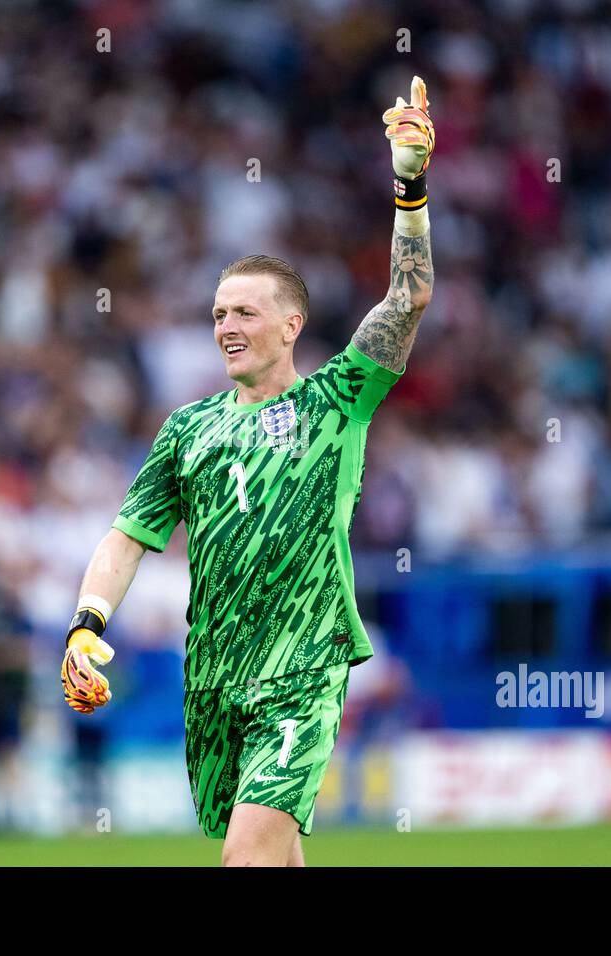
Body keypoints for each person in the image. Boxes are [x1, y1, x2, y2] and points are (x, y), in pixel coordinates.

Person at [60, 77, 435, 865]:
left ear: (291, 324)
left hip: (302, 667)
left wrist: (408, 187)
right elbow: (128, 538)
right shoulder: (188, 428)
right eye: (219, 313)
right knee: (276, 858)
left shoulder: (337, 400)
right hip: (214, 677)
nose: (226, 325)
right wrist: (88, 623)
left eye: (245, 311)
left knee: (246, 861)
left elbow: (409, 296)